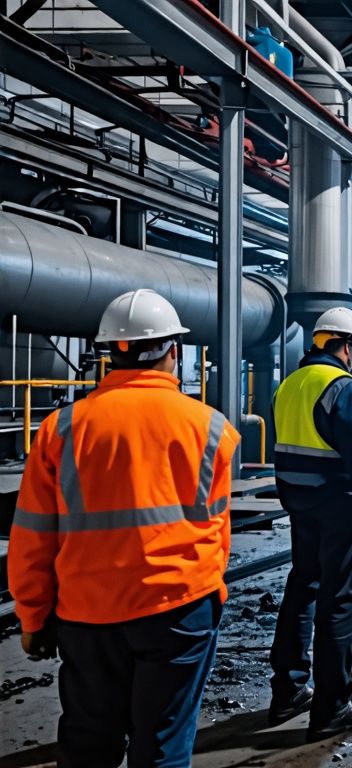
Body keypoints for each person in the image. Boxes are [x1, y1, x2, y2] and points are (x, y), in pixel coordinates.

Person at [8, 289, 238, 767]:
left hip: (86, 616)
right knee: (163, 747)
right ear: (175, 350)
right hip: (178, 611)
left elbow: (32, 537)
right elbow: (216, 532)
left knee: (89, 746)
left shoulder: (60, 429)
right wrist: (210, 597)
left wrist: (33, 617)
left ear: (110, 354)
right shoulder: (210, 428)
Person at [269, 306, 352, 742]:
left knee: (303, 588)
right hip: (339, 506)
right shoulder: (342, 387)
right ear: (344, 345)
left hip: (300, 504)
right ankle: (332, 705)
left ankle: (289, 690)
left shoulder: (290, 384)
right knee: (342, 600)